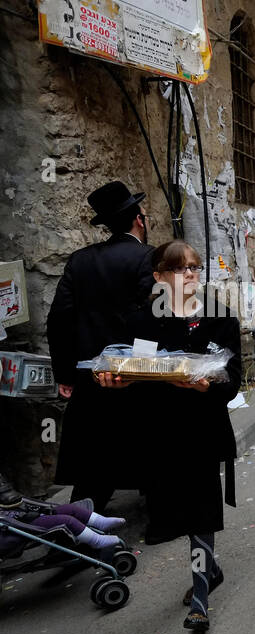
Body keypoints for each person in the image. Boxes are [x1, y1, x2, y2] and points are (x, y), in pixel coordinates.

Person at [96, 240, 241, 634]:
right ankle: (210, 569)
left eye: (194, 266)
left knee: (200, 513)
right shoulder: (143, 321)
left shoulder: (220, 320)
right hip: (160, 434)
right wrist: (116, 383)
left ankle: (199, 600)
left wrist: (203, 387)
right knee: (175, 511)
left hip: (203, 432)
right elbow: (137, 373)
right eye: (179, 268)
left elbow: (232, 383)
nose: (190, 274)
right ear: (159, 277)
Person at [47, 181, 155, 512]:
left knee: (95, 452)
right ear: (140, 219)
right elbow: (152, 320)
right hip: (133, 376)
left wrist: (65, 374)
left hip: (90, 376)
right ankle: (155, 509)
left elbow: (58, 320)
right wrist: (146, 369)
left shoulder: (79, 261)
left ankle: (81, 518)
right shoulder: (147, 258)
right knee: (145, 442)